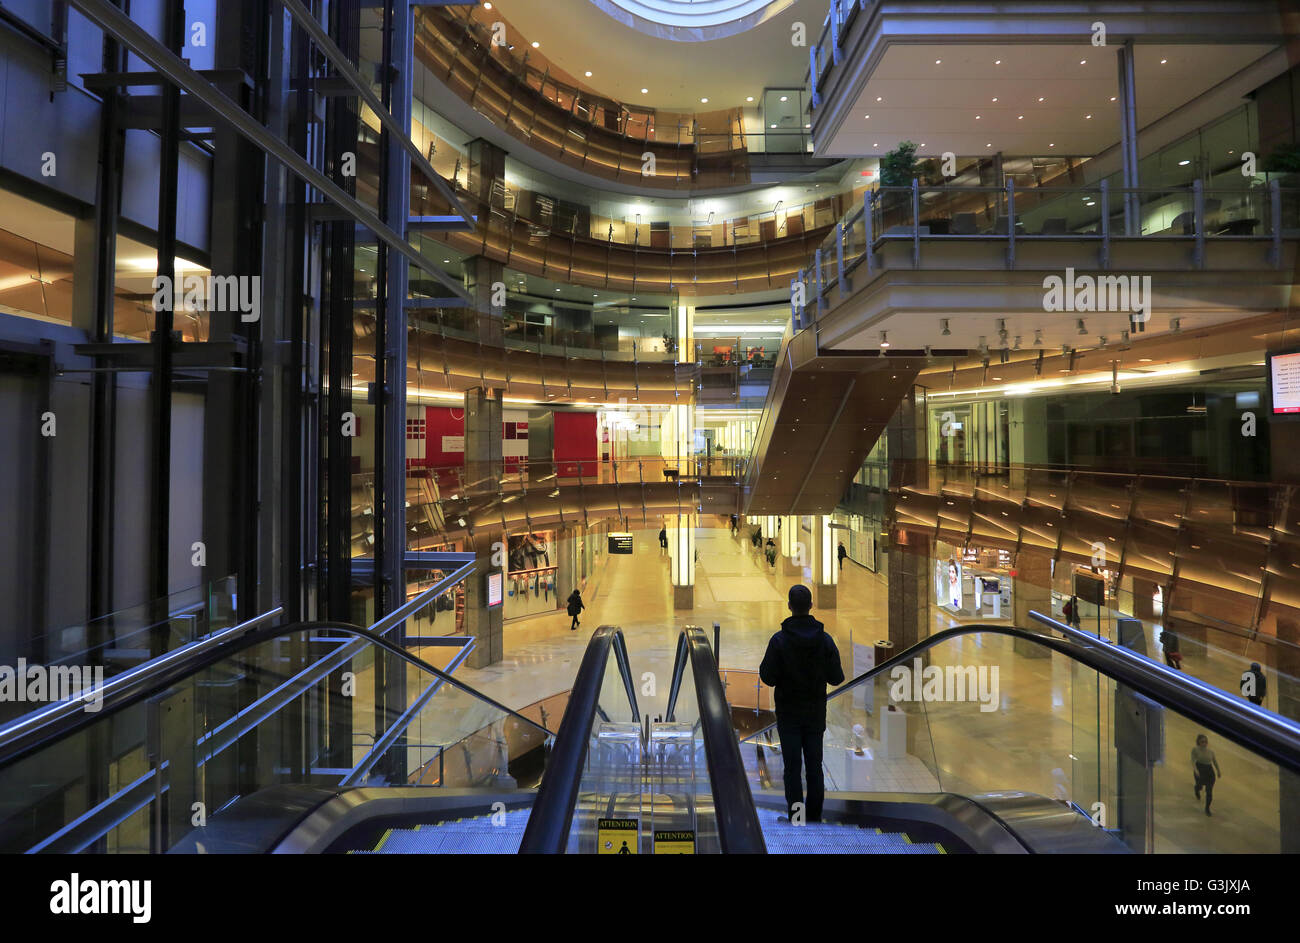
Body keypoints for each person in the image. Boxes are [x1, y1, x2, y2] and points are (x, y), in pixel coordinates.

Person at [759, 585, 846, 824]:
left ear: (789, 606)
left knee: (792, 769)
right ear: (810, 606)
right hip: (815, 714)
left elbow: (767, 677)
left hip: (788, 715)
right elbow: (837, 677)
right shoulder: (825, 641)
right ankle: (815, 817)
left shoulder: (779, 641)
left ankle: (797, 818)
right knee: (815, 767)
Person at [1191, 734, 1223, 816]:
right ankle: (1197, 789)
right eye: (1202, 742)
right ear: (1198, 742)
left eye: (1205, 742)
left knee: (1209, 791)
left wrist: (1218, 771)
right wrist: (1196, 770)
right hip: (1200, 769)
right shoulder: (1195, 750)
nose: (1204, 743)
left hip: (1209, 771)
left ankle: (1207, 808)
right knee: (1200, 785)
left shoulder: (1211, 752)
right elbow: (1193, 761)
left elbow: (1214, 762)